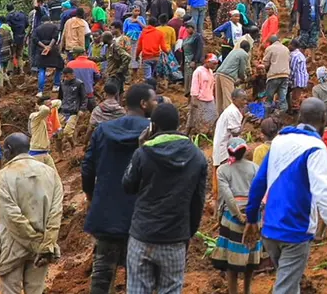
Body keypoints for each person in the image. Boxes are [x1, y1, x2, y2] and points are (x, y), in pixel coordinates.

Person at [243, 98, 327, 294]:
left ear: (300, 116)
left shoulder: (278, 141)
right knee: (285, 288)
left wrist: (251, 218)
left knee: (289, 284)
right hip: (296, 229)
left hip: (270, 228)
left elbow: (259, 182)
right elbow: (322, 193)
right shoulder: (315, 147)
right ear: (324, 119)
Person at [122, 102, 208, 294]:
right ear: (178, 125)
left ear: (153, 125)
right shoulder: (197, 156)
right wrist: (188, 232)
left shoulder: (143, 152)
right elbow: (198, 202)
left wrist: (139, 147)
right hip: (175, 238)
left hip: (142, 236)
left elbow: (128, 186)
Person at [83, 83, 156, 294]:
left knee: (103, 272)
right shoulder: (153, 132)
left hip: (107, 211)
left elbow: (87, 168)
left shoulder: (103, 130)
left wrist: (90, 197)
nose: (155, 104)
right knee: (140, 274)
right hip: (142, 214)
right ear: (143, 104)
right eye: (153, 100)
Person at [0, 134, 64, 294]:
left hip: (12, 246)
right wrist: (45, 245)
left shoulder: (2, 176)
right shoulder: (51, 173)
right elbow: (56, 212)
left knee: (11, 290)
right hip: (42, 246)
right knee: (36, 290)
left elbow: (12, 217)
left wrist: (36, 243)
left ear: (9, 150)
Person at [212, 138, 261, 294]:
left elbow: (227, 196)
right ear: (245, 151)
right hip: (253, 217)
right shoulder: (254, 168)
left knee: (230, 261)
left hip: (232, 219)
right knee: (250, 258)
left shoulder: (223, 170)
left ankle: (233, 291)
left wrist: (239, 217)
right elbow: (259, 193)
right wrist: (251, 217)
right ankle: (247, 290)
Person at [213, 90, 248, 166]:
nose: (245, 102)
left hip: (225, 145)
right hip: (224, 147)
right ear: (234, 99)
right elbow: (236, 133)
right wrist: (245, 119)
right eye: (243, 99)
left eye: (246, 99)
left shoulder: (233, 110)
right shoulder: (232, 112)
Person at [28, 96, 61, 170]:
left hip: (45, 152)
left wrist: (48, 103)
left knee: (54, 176)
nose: (50, 107)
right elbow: (45, 110)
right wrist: (39, 105)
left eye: (51, 105)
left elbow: (59, 102)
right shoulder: (34, 116)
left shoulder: (46, 116)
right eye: (48, 105)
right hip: (36, 152)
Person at [264, 34, 291, 114]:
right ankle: (280, 116)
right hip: (285, 76)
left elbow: (266, 63)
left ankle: (266, 117)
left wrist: (266, 71)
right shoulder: (286, 49)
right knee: (282, 98)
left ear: (270, 42)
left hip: (273, 76)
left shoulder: (270, 48)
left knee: (269, 99)